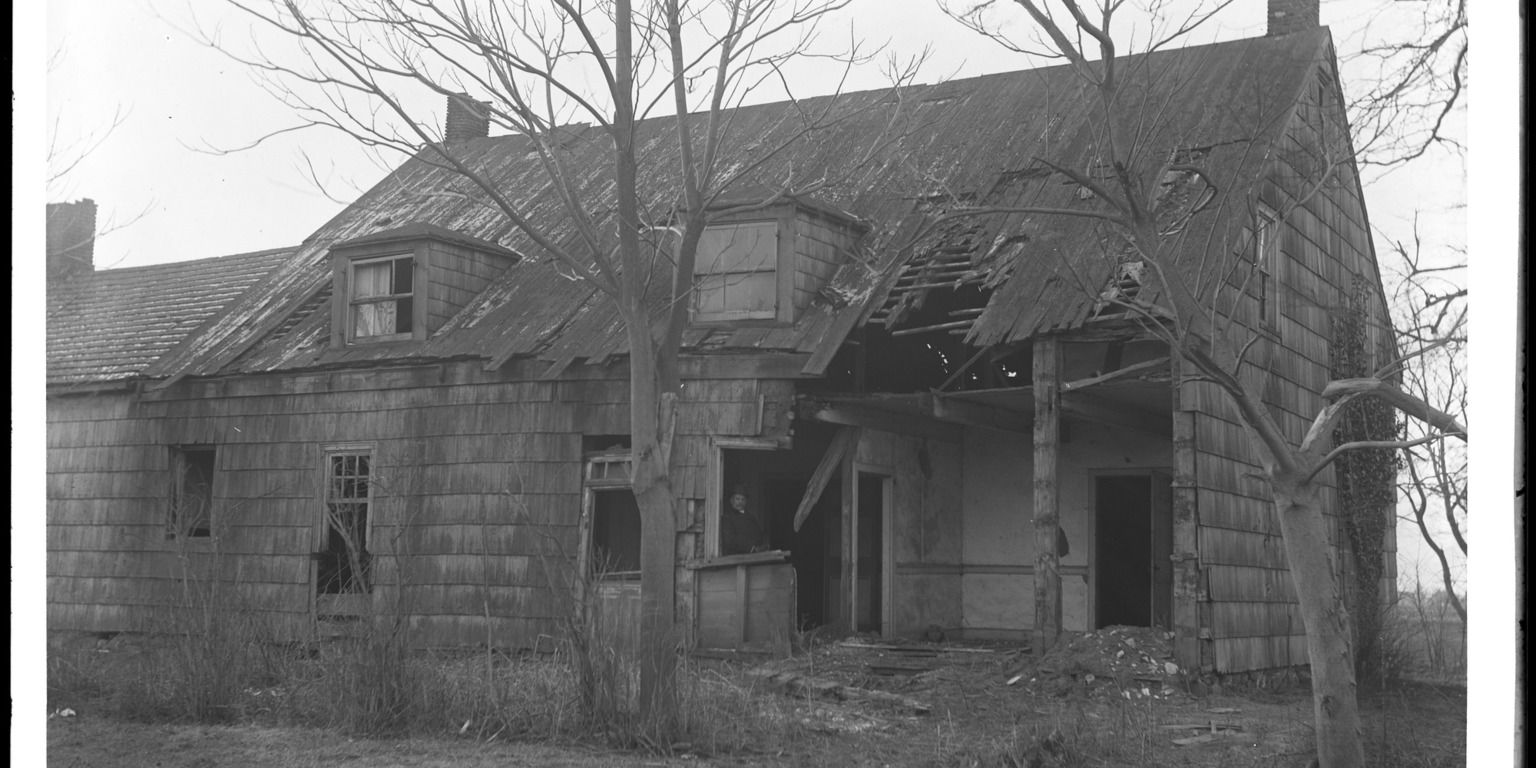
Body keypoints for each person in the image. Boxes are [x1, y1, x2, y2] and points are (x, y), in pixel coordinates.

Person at [720, 486, 768, 555]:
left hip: (753, 556)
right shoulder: (727, 518)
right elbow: (729, 541)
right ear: (731, 501)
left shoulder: (751, 518)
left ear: (746, 502)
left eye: (743, 499)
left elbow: (759, 536)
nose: (740, 502)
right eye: (737, 499)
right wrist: (749, 547)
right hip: (734, 558)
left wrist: (756, 547)